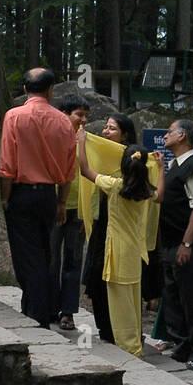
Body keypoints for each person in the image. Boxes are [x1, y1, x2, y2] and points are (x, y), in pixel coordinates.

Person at [0, 68, 76, 328]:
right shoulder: (64, 121)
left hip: (21, 193)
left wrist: (6, 198)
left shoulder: (14, 116)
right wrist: (62, 203)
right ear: (51, 90)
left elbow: (7, 164)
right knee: (45, 254)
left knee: (26, 257)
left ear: (24, 89)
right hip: (48, 195)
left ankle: (37, 315)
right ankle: (35, 308)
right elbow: (68, 170)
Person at [77, 138, 155, 357]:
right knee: (133, 300)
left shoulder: (115, 186)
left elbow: (85, 170)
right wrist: (163, 171)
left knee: (120, 305)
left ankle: (129, 347)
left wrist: (82, 142)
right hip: (135, 252)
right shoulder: (147, 190)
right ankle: (135, 343)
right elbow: (162, 195)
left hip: (117, 252)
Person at [152, 119, 193, 372]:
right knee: (173, 296)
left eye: (169, 132)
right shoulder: (174, 165)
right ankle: (184, 344)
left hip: (186, 244)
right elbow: (162, 197)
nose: (165, 136)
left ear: (183, 136)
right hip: (170, 242)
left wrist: (187, 243)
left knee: (192, 298)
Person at [80, 113, 137, 343]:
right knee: (97, 278)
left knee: (118, 283)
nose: (105, 132)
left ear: (125, 134)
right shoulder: (103, 153)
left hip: (122, 229)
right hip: (102, 224)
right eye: (105, 127)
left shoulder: (133, 161)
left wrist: (83, 142)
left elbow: (86, 170)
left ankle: (120, 332)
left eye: (112, 128)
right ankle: (106, 329)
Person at [49, 95, 88, 331]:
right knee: (51, 259)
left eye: (86, 115)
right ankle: (50, 306)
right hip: (54, 207)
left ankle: (68, 312)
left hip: (78, 210)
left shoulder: (88, 142)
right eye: (79, 115)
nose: (83, 120)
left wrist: (87, 214)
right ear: (65, 115)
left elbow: (92, 179)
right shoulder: (52, 139)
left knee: (73, 261)